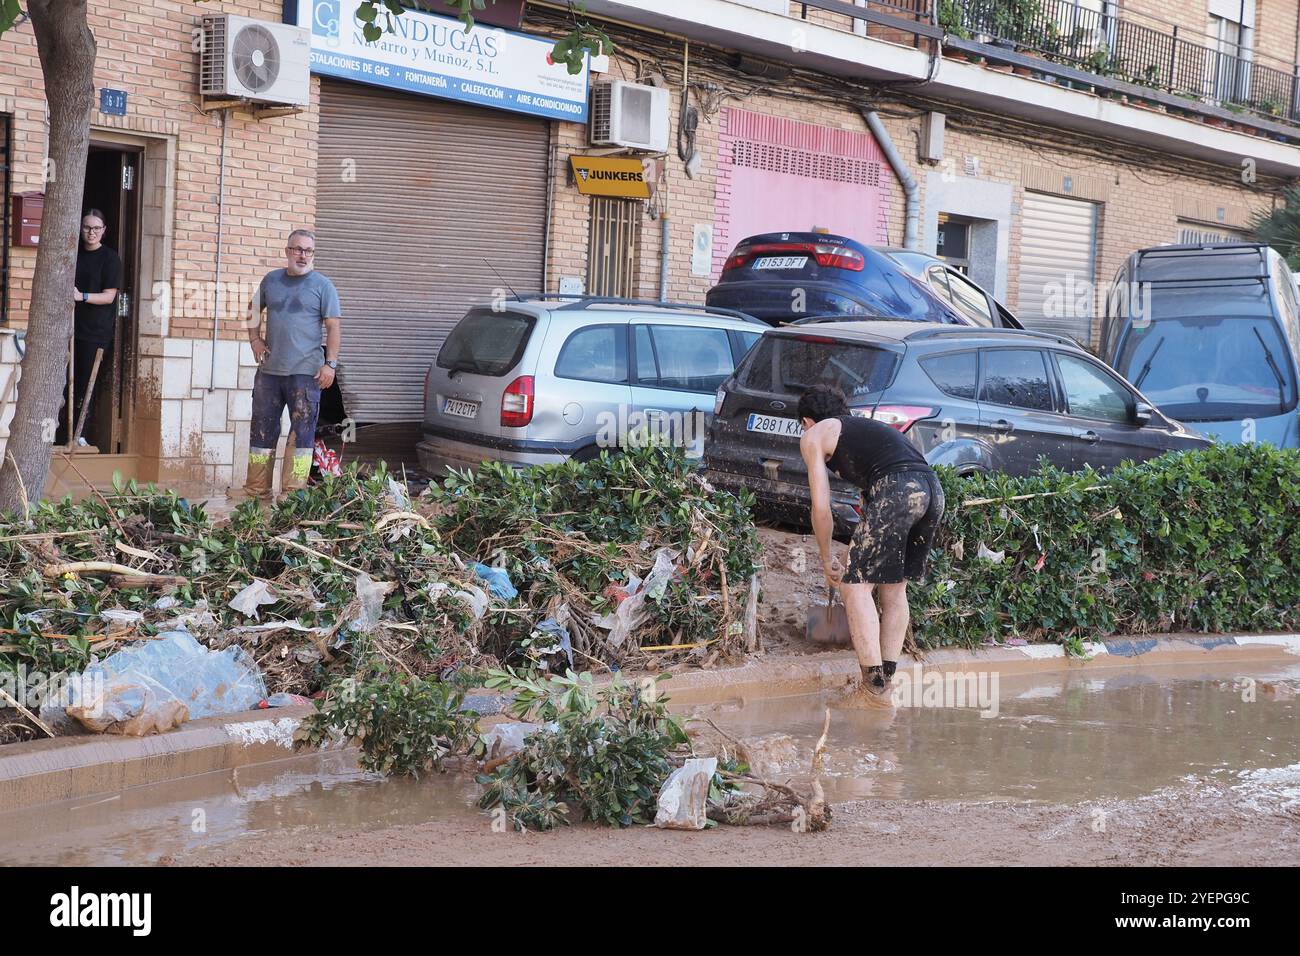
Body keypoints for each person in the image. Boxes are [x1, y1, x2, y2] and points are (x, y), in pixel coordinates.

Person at [798, 385, 945, 696]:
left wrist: (826, 559)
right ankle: (886, 683)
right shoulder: (865, 429)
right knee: (894, 588)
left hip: (899, 491)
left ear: (807, 422)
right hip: (932, 491)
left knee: (855, 586)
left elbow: (821, 508)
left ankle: (871, 689)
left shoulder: (814, 435)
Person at [242, 228, 341, 500]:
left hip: (306, 374)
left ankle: (293, 494)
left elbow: (333, 327)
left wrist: (330, 364)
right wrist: (255, 340)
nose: (303, 255)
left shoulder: (323, 286)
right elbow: (252, 310)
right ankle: (256, 490)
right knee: (261, 433)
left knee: (302, 437)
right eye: (297, 249)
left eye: (308, 250)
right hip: (269, 374)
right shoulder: (271, 280)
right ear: (287, 251)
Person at [66, 209, 122, 446]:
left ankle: (80, 435)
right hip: (69, 329)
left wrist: (82, 296)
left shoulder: (110, 259)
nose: (91, 232)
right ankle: (61, 433)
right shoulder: (74, 255)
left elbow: (109, 297)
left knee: (86, 383)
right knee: (65, 383)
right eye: (87, 227)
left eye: (96, 228)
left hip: (95, 333)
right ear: (81, 229)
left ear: (103, 231)